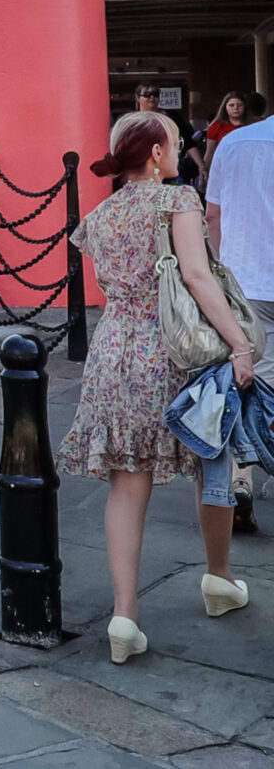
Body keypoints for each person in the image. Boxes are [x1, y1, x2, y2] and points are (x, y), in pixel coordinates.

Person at [58, 111, 257, 664]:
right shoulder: (178, 202)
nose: (175, 149)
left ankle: (124, 616)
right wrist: (239, 344)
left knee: (126, 483)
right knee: (209, 460)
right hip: (174, 348)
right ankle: (219, 579)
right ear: (155, 154)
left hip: (114, 353)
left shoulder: (101, 215)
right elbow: (195, 276)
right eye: (171, 142)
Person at [207, 102, 274, 534]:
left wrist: (220, 267)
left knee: (249, 375)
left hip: (247, 277)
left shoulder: (234, 142)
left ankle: (241, 480)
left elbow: (213, 213)